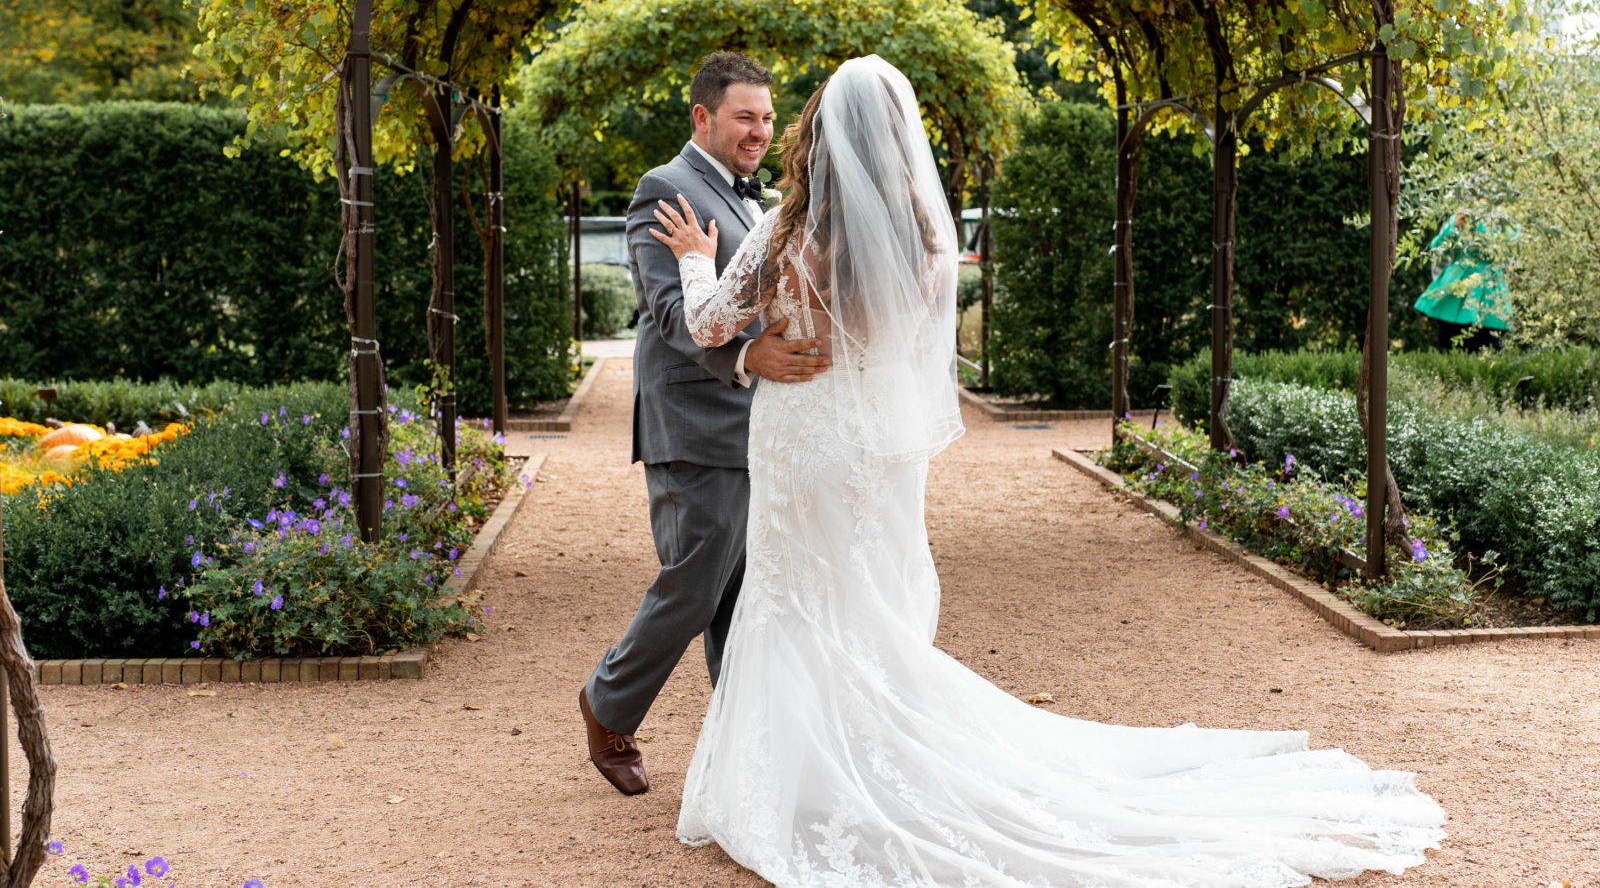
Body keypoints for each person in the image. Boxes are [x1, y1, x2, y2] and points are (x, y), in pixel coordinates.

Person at [648, 54, 1446, 886]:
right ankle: (851, 761)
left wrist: (698, 257)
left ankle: (797, 782)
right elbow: (908, 353)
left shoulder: (785, 232)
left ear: (818, 136)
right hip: (872, 452)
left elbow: (707, 325)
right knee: (861, 603)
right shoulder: (925, 240)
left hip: (799, 444)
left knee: (793, 599)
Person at [579, 52, 831, 796]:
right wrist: (751, 353)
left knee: (742, 592)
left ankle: (739, 737)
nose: (759, 131)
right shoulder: (665, 188)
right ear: (703, 117)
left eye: (766, 117)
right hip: (692, 421)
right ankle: (608, 703)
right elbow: (667, 307)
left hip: (757, 427)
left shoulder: (758, 199)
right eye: (744, 116)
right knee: (694, 582)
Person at [1414, 207, 1511, 351]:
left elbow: (1508, 254)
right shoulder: (1459, 214)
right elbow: (1436, 250)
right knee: (1449, 349)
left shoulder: (1501, 216)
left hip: (1490, 291)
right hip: (1454, 289)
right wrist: (1453, 225)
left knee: (1488, 349)